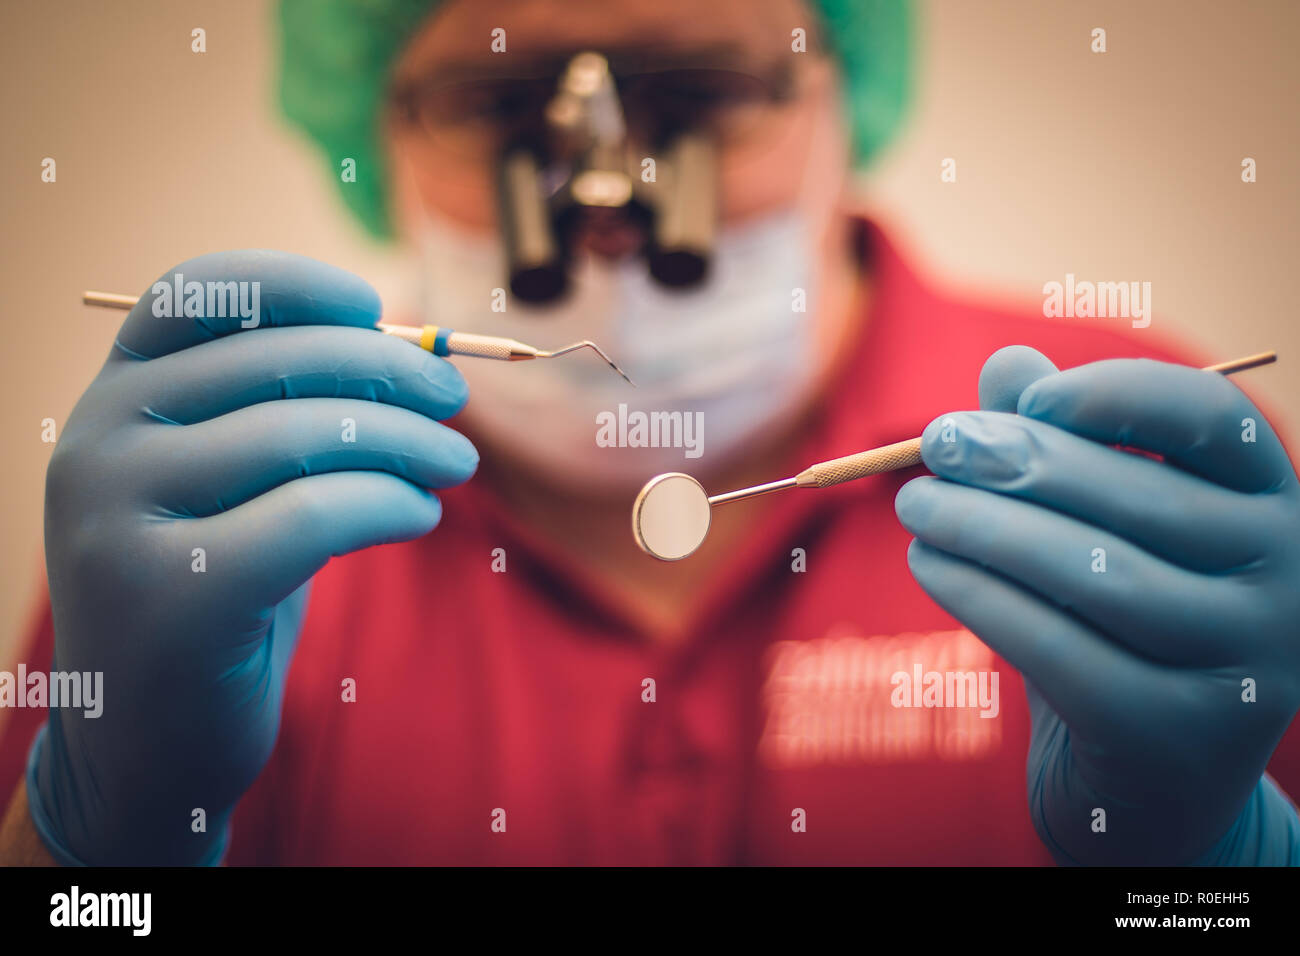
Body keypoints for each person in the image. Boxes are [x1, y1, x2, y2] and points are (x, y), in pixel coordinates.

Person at [2, 0, 1298, 866]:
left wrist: (1210, 869)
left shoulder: (1123, 459)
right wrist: (99, 849)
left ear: (848, 93)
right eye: (494, 97)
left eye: (707, 90)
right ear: (374, 125)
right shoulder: (218, 520)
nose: (604, 199)